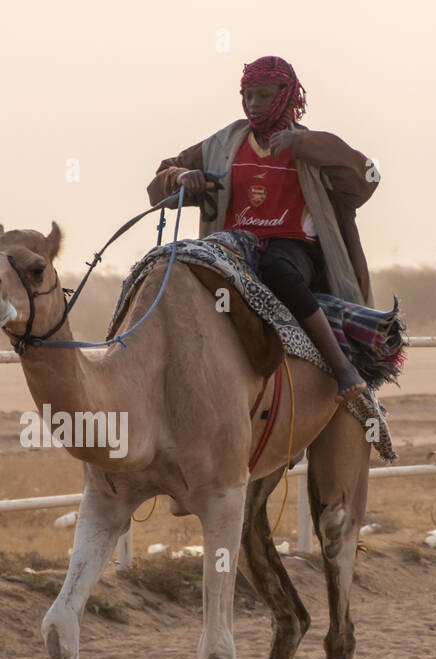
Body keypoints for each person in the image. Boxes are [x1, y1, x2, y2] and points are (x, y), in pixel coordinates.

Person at [147, 55, 380, 403]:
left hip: (294, 250)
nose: (253, 105)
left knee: (276, 267)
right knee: (175, 268)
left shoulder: (312, 146)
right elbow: (157, 188)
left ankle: (342, 366)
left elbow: (367, 178)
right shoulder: (222, 145)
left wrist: (302, 146)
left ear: (286, 96)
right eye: (248, 95)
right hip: (231, 248)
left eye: (264, 96)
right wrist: (181, 177)